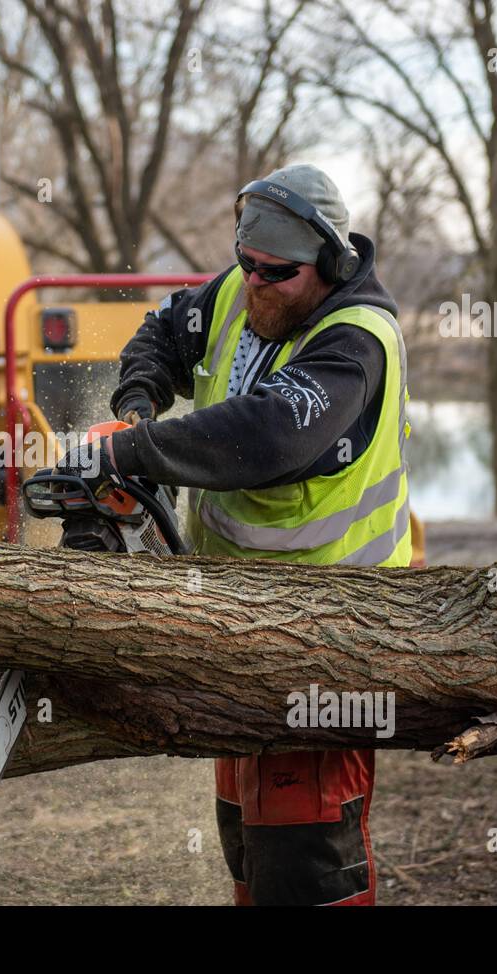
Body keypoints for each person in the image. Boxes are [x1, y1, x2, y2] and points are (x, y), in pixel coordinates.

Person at [49, 164, 414, 905]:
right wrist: (138, 404)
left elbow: (270, 435)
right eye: (246, 264)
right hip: (240, 627)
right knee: (249, 853)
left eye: (274, 275)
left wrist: (130, 452)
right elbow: (161, 330)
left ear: (330, 266)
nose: (254, 284)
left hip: (333, 630)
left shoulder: (355, 342)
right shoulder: (240, 287)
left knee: (304, 865)